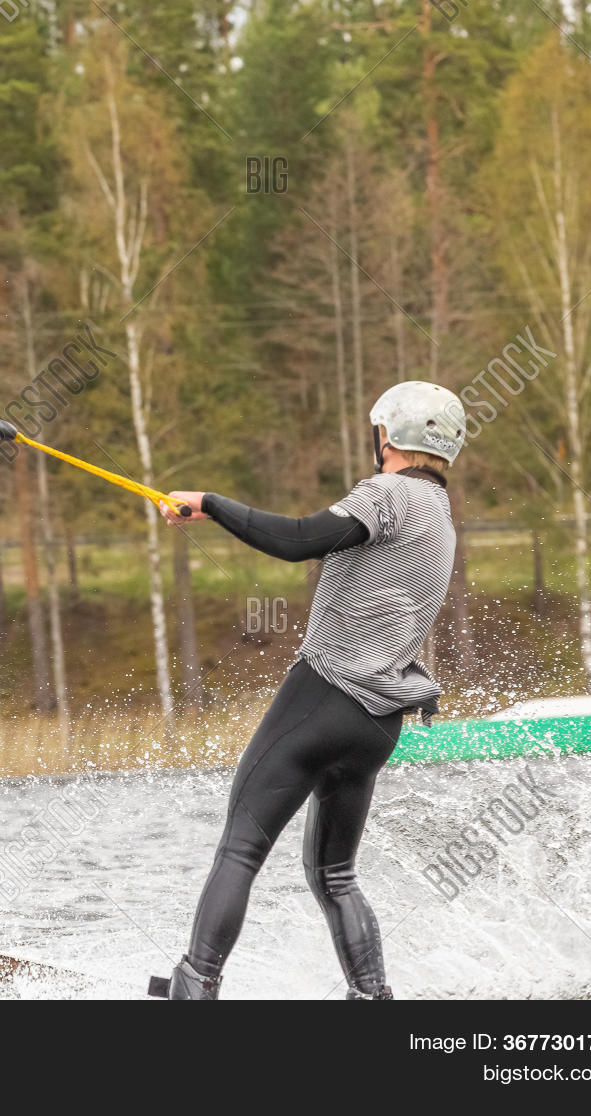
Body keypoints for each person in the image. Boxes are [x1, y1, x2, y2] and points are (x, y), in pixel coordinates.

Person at [155, 381, 467, 999]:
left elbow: (297, 540)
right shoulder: (441, 517)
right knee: (335, 874)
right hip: (378, 724)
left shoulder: (387, 494)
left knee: (241, 847)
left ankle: (195, 987)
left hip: (323, 696)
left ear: (388, 438)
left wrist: (210, 503)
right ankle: (371, 997)